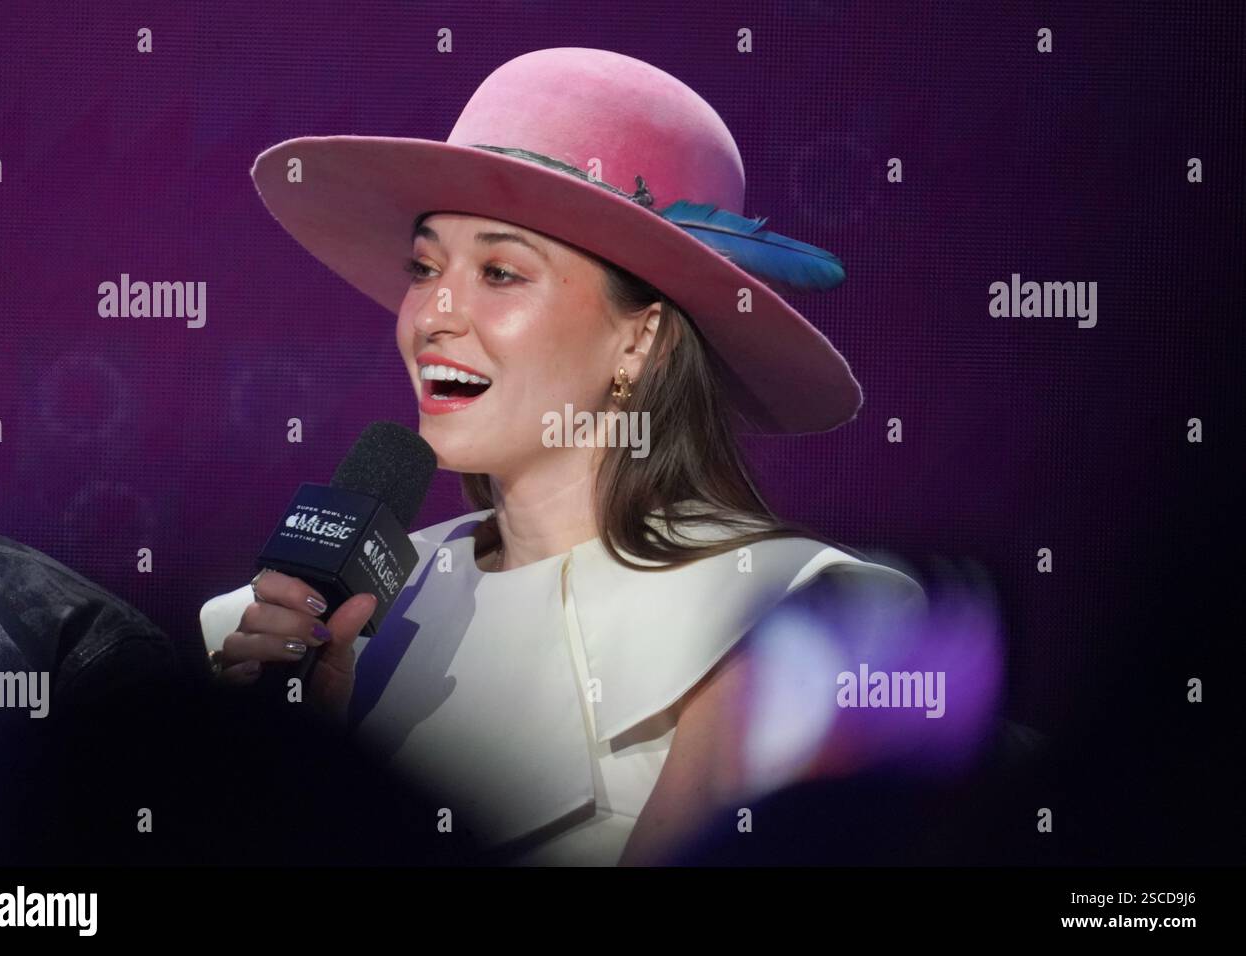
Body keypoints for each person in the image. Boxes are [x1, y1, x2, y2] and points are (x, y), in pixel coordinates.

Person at [200, 47, 927, 865]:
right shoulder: (324, 613)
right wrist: (284, 769)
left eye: (501, 272)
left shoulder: (787, 618)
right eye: (424, 266)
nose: (433, 315)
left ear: (641, 336)